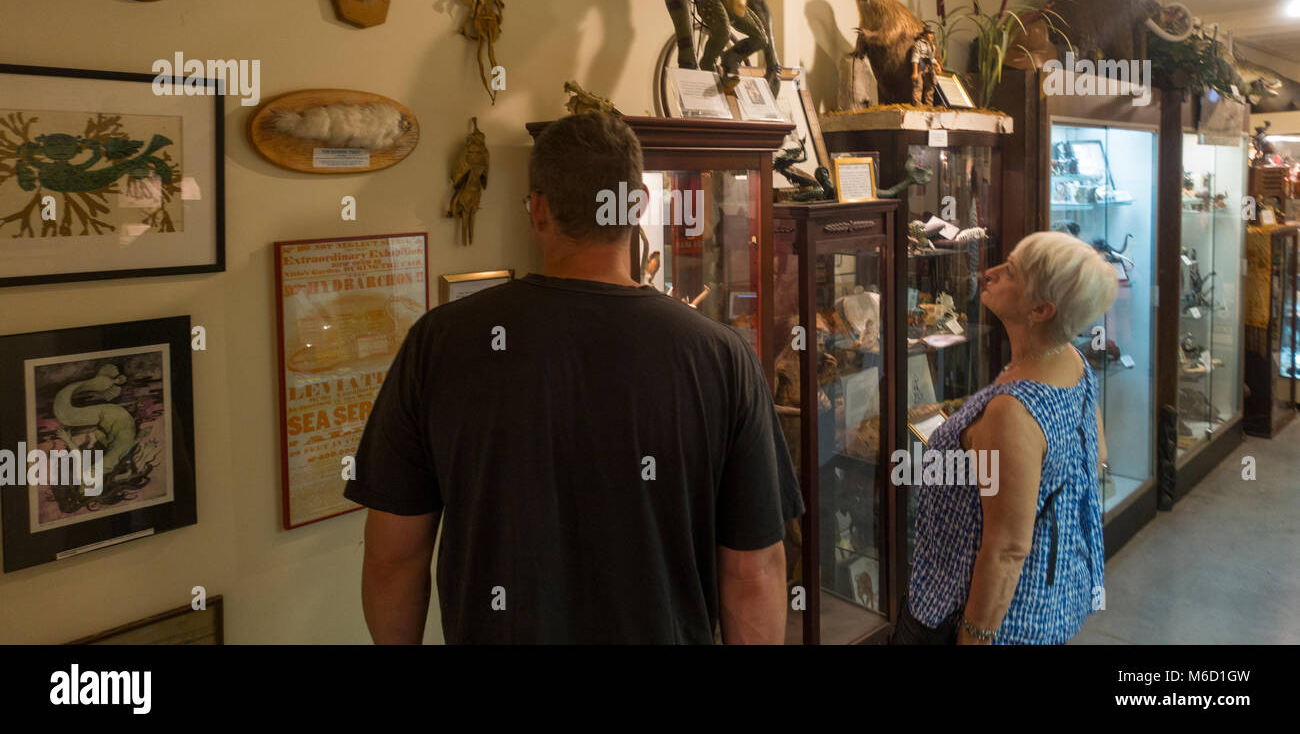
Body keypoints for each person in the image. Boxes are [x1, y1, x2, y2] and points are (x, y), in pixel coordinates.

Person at [344, 112, 802, 644]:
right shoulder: (721, 358)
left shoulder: (439, 343)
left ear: (538, 209)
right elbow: (753, 572)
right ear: (639, 207)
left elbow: (393, 559)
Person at [898, 231, 1116, 644]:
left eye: (1010, 271)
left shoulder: (1014, 412)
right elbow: (1097, 453)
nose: (990, 272)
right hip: (1044, 604)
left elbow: (1006, 549)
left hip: (970, 613)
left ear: (1040, 308)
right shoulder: (1072, 361)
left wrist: (974, 637)